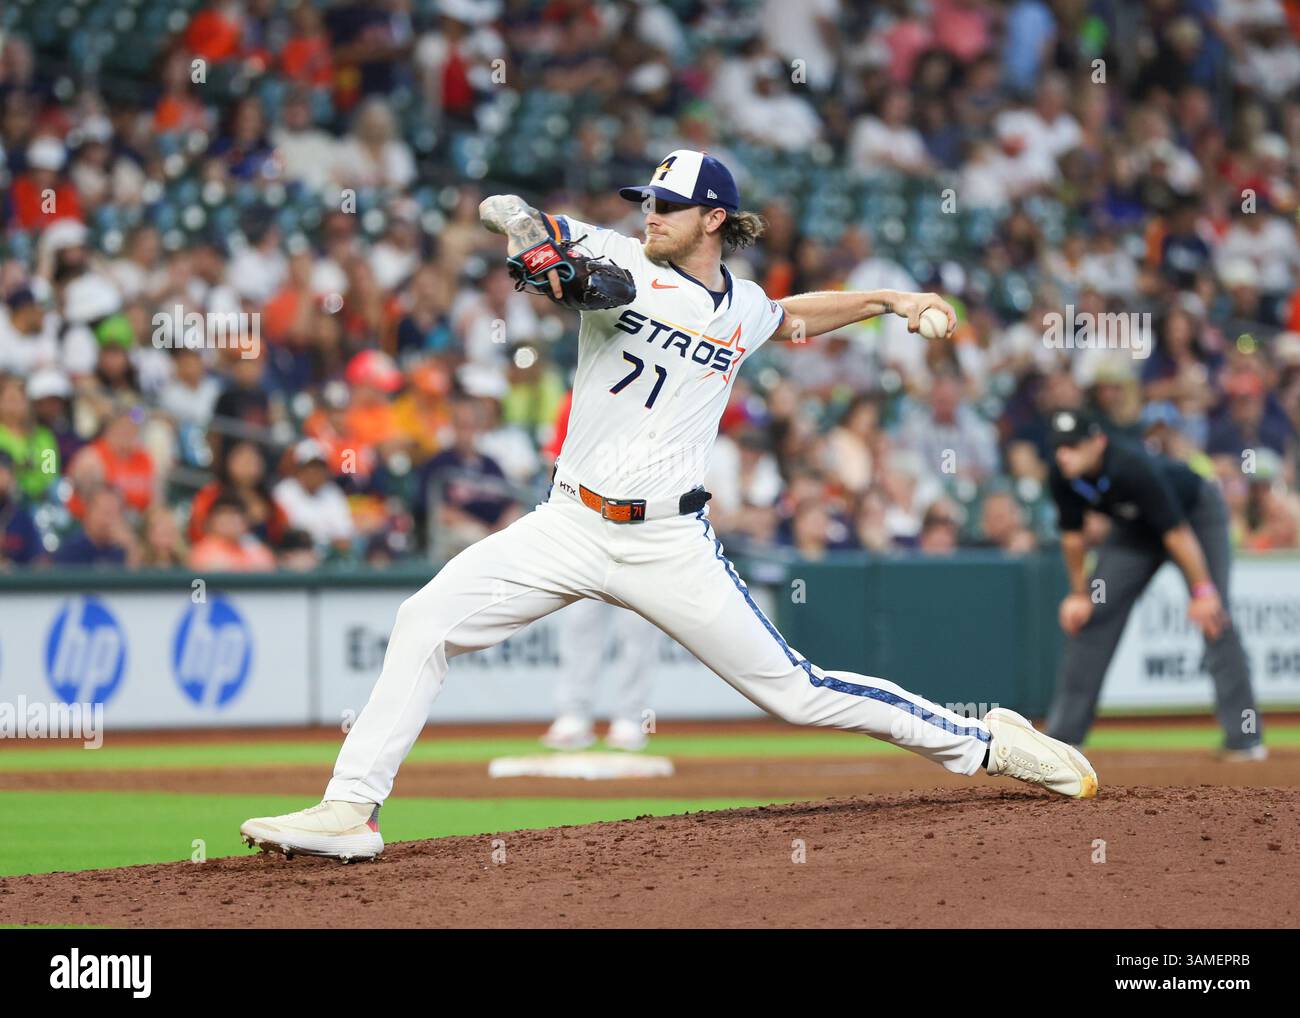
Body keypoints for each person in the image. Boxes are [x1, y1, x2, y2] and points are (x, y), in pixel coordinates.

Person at [241, 149, 1098, 861]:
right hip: (568, 524)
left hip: (669, 541)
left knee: (797, 694)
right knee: (424, 622)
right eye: (647, 201)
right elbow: (552, 246)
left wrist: (889, 301)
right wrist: (524, 229)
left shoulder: (741, 309)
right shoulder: (621, 258)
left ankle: (988, 742)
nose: (650, 213)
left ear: (713, 219)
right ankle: (351, 809)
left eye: (669, 205)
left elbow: (789, 317)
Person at [1044, 408, 1263, 759]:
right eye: (1059, 446)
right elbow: (1073, 537)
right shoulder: (1061, 474)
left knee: (1214, 617)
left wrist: (1202, 592)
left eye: (1073, 445)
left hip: (1195, 517)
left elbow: (1176, 534)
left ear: (1097, 442)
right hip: (1133, 530)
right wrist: (1078, 594)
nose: (1064, 454)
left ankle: (1244, 738)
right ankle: (1063, 740)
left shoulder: (1131, 466)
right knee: (1093, 616)